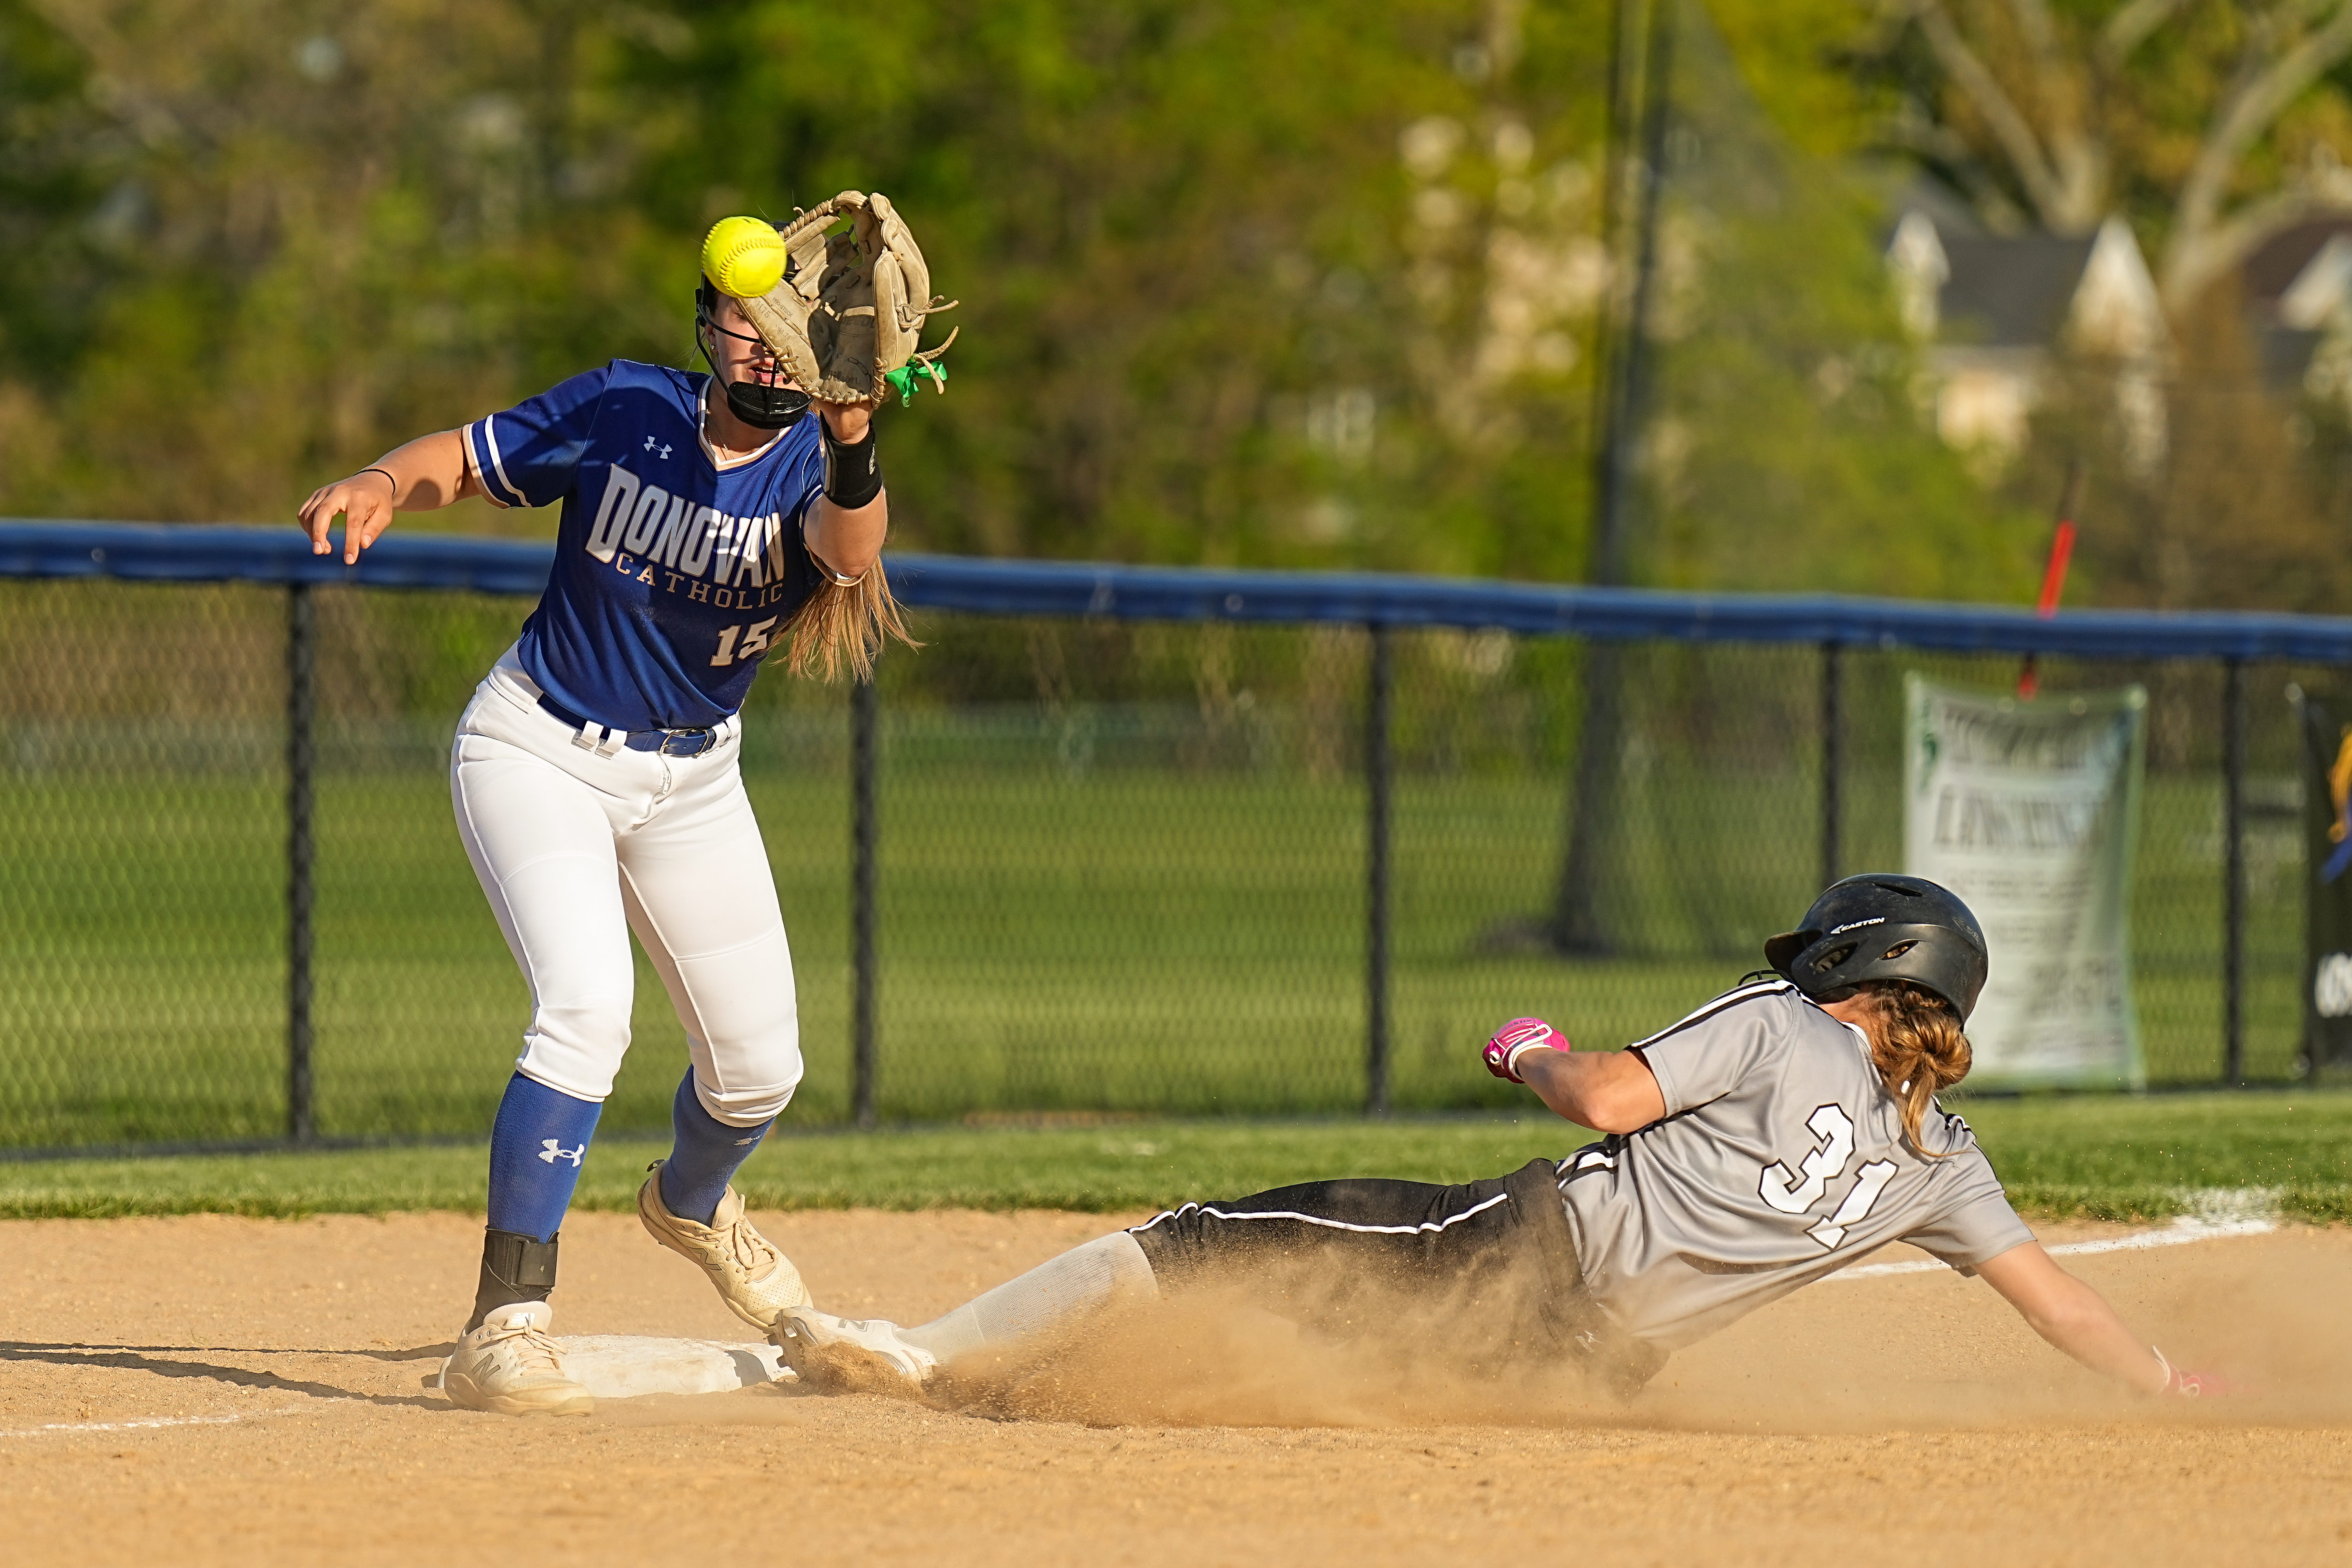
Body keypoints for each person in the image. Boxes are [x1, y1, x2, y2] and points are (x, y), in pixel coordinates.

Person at [770, 875, 2223, 1402]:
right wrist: (2163, 1378)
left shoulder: (1782, 1022)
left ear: (1861, 963)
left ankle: (920, 1350)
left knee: (1197, 1241)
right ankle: (1024, 1383)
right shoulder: (1944, 1161)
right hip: (1589, 1368)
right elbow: (2061, 1301)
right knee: (1316, 1348)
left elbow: (1605, 1101)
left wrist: (1529, 1049)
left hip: (1520, 1250)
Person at [296, 221, 915, 1416]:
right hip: (539, 746)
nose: (772, 340)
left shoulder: (820, 465)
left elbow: (849, 558)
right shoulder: (629, 407)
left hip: (693, 782)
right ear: (710, 319)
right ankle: (504, 1322)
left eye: (798, 323)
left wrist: (853, 437)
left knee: (759, 1072)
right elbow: (468, 458)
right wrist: (383, 478)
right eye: (751, 313)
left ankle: (688, 1203)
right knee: (586, 1009)